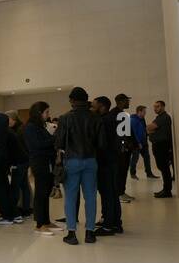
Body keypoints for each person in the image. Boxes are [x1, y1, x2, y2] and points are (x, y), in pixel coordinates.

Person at [54, 87, 103, 245]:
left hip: (72, 161)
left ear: (72, 100)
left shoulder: (65, 118)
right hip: (90, 160)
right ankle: (90, 233)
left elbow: (59, 142)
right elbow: (101, 143)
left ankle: (72, 234)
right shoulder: (96, 117)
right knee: (90, 197)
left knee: (70, 197)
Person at [24, 102, 62, 235]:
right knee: (40, 194)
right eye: (46, 112)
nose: (48, 115)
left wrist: (53, 139)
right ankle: (39, 225)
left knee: (46, 193)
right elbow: (38, 145)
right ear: (39, 113)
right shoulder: (30, 127)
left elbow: (47, 142)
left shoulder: (40, 126)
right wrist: (55, 138)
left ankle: (46, 221)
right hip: (39, 163)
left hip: (47, 163)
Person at [92, 96, 122, 236]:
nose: (92, 108)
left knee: (107, 193)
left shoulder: (104, 121)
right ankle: (115, 223)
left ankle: (108, 225)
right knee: (112, 193)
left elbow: (101, 144)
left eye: (94, 105)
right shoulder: (112, 118)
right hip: (112, 160)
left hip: (105, 162)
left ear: (102, 106)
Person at [6, 110, 32, 218]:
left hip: (19, 161)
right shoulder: (22, 128)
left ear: (13, 119)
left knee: (16, 186)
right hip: (25, 160)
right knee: (24, 185)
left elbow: (16, 149)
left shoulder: (17, 131)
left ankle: (14, 210)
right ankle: (26, 208)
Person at [148, 100, 175, 198]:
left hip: (162, 146)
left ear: (163, 107)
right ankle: (165, 189)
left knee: (164, 168)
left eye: (158, 106)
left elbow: (150, 127)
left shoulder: (164, 117)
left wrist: (151, 131)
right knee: (163, 168)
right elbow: (150, 129)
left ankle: (167, 191)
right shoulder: (159, 117)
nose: (156, 108)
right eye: (154, 107)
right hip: (158, 146)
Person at [113, 93, 136, 203]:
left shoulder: (122, 114)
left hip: (124, 149)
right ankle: (119, 193)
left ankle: (121, 191)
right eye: (127, 100)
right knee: (120, 171)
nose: (128, 102)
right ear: (120, 101)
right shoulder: (116, 114)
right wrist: (123, 146)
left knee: (123, 171)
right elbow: (119, 134)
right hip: (121, 150)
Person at [129, 105, 158, 180]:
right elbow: (134, 133)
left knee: (147, 158)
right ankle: (133, 173)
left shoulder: (142, 119)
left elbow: (143, 129)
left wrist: (147, 134)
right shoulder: (133, 120)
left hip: (144, 142)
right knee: (135, 158)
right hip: (137, 143)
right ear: (139, 111)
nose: (145, 113)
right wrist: (138, 143)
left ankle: (149, 173)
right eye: (144, 112)